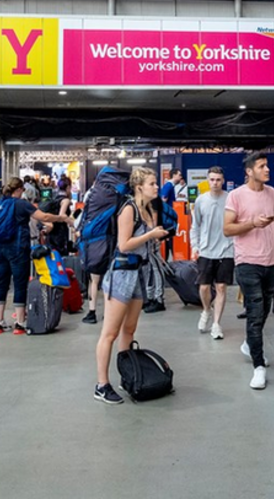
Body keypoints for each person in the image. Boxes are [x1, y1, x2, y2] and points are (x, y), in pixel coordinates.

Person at [93, 167, 169, 404]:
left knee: (130, 329)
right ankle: (101, 385)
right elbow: (124, 245)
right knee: (110, 333)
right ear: (139, 187)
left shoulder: (148, 209)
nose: (157, 187)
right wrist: (150, 235)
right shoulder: (129, 209)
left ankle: (127, 375)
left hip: (138, 273)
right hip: (122, 273)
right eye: (152, 183)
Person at [225, 152, 274, 390]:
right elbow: (227, 229)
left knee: (265, 309)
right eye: (261, 166)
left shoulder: (271, 193)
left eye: (267, 166)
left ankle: (250, 344)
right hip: (247, 262)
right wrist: (252, 224)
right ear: (249, 171)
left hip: (270, 261)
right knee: (255, 311)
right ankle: (258, 366)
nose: (267, 170)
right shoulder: (236, 196)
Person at [0, 177, 72, 336]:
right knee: (20, 284)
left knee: (2, 283)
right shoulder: (21, 204)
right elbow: (44, 217)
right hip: (17, 248)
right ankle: (20, 324)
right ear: (19, 189)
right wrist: (61, 218)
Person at [191, 166, 233, 340]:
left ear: (223, 181)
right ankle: (207, 310)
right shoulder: (201, 200)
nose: (215, 183)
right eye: (212, 179)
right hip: (206, 250)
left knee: (221, 287)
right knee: (204, 287)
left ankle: (216, 324)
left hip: (227, 249)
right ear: (207, 181)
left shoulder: (230, 199)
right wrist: (195, 246)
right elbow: (196, 225)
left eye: (218, 179)